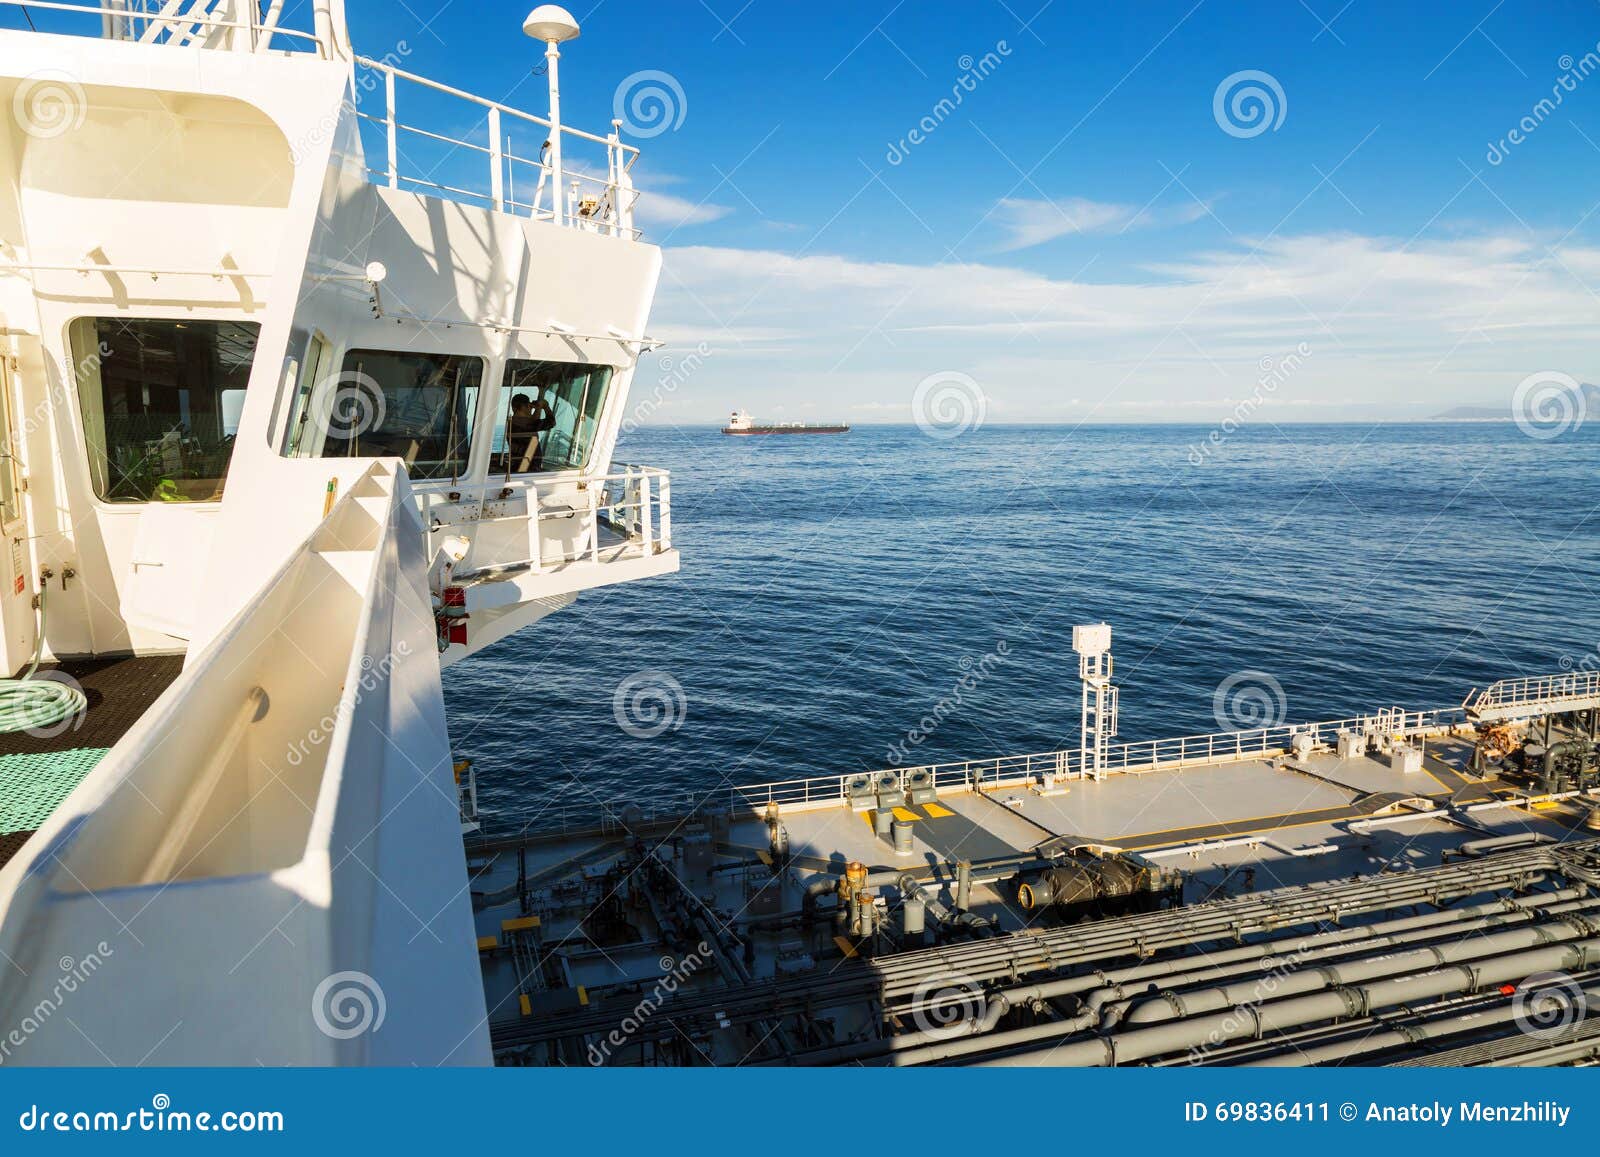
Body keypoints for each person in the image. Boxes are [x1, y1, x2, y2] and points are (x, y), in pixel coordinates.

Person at [504, 390, 556, 472]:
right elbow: (551, 422)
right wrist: (545, 407)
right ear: (523, 407)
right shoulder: (527, 424)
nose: (531, 408)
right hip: (529, 470)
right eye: (529, 406)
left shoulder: (511, 423)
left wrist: (537, 408)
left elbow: (532, 422)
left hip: (517, 467)